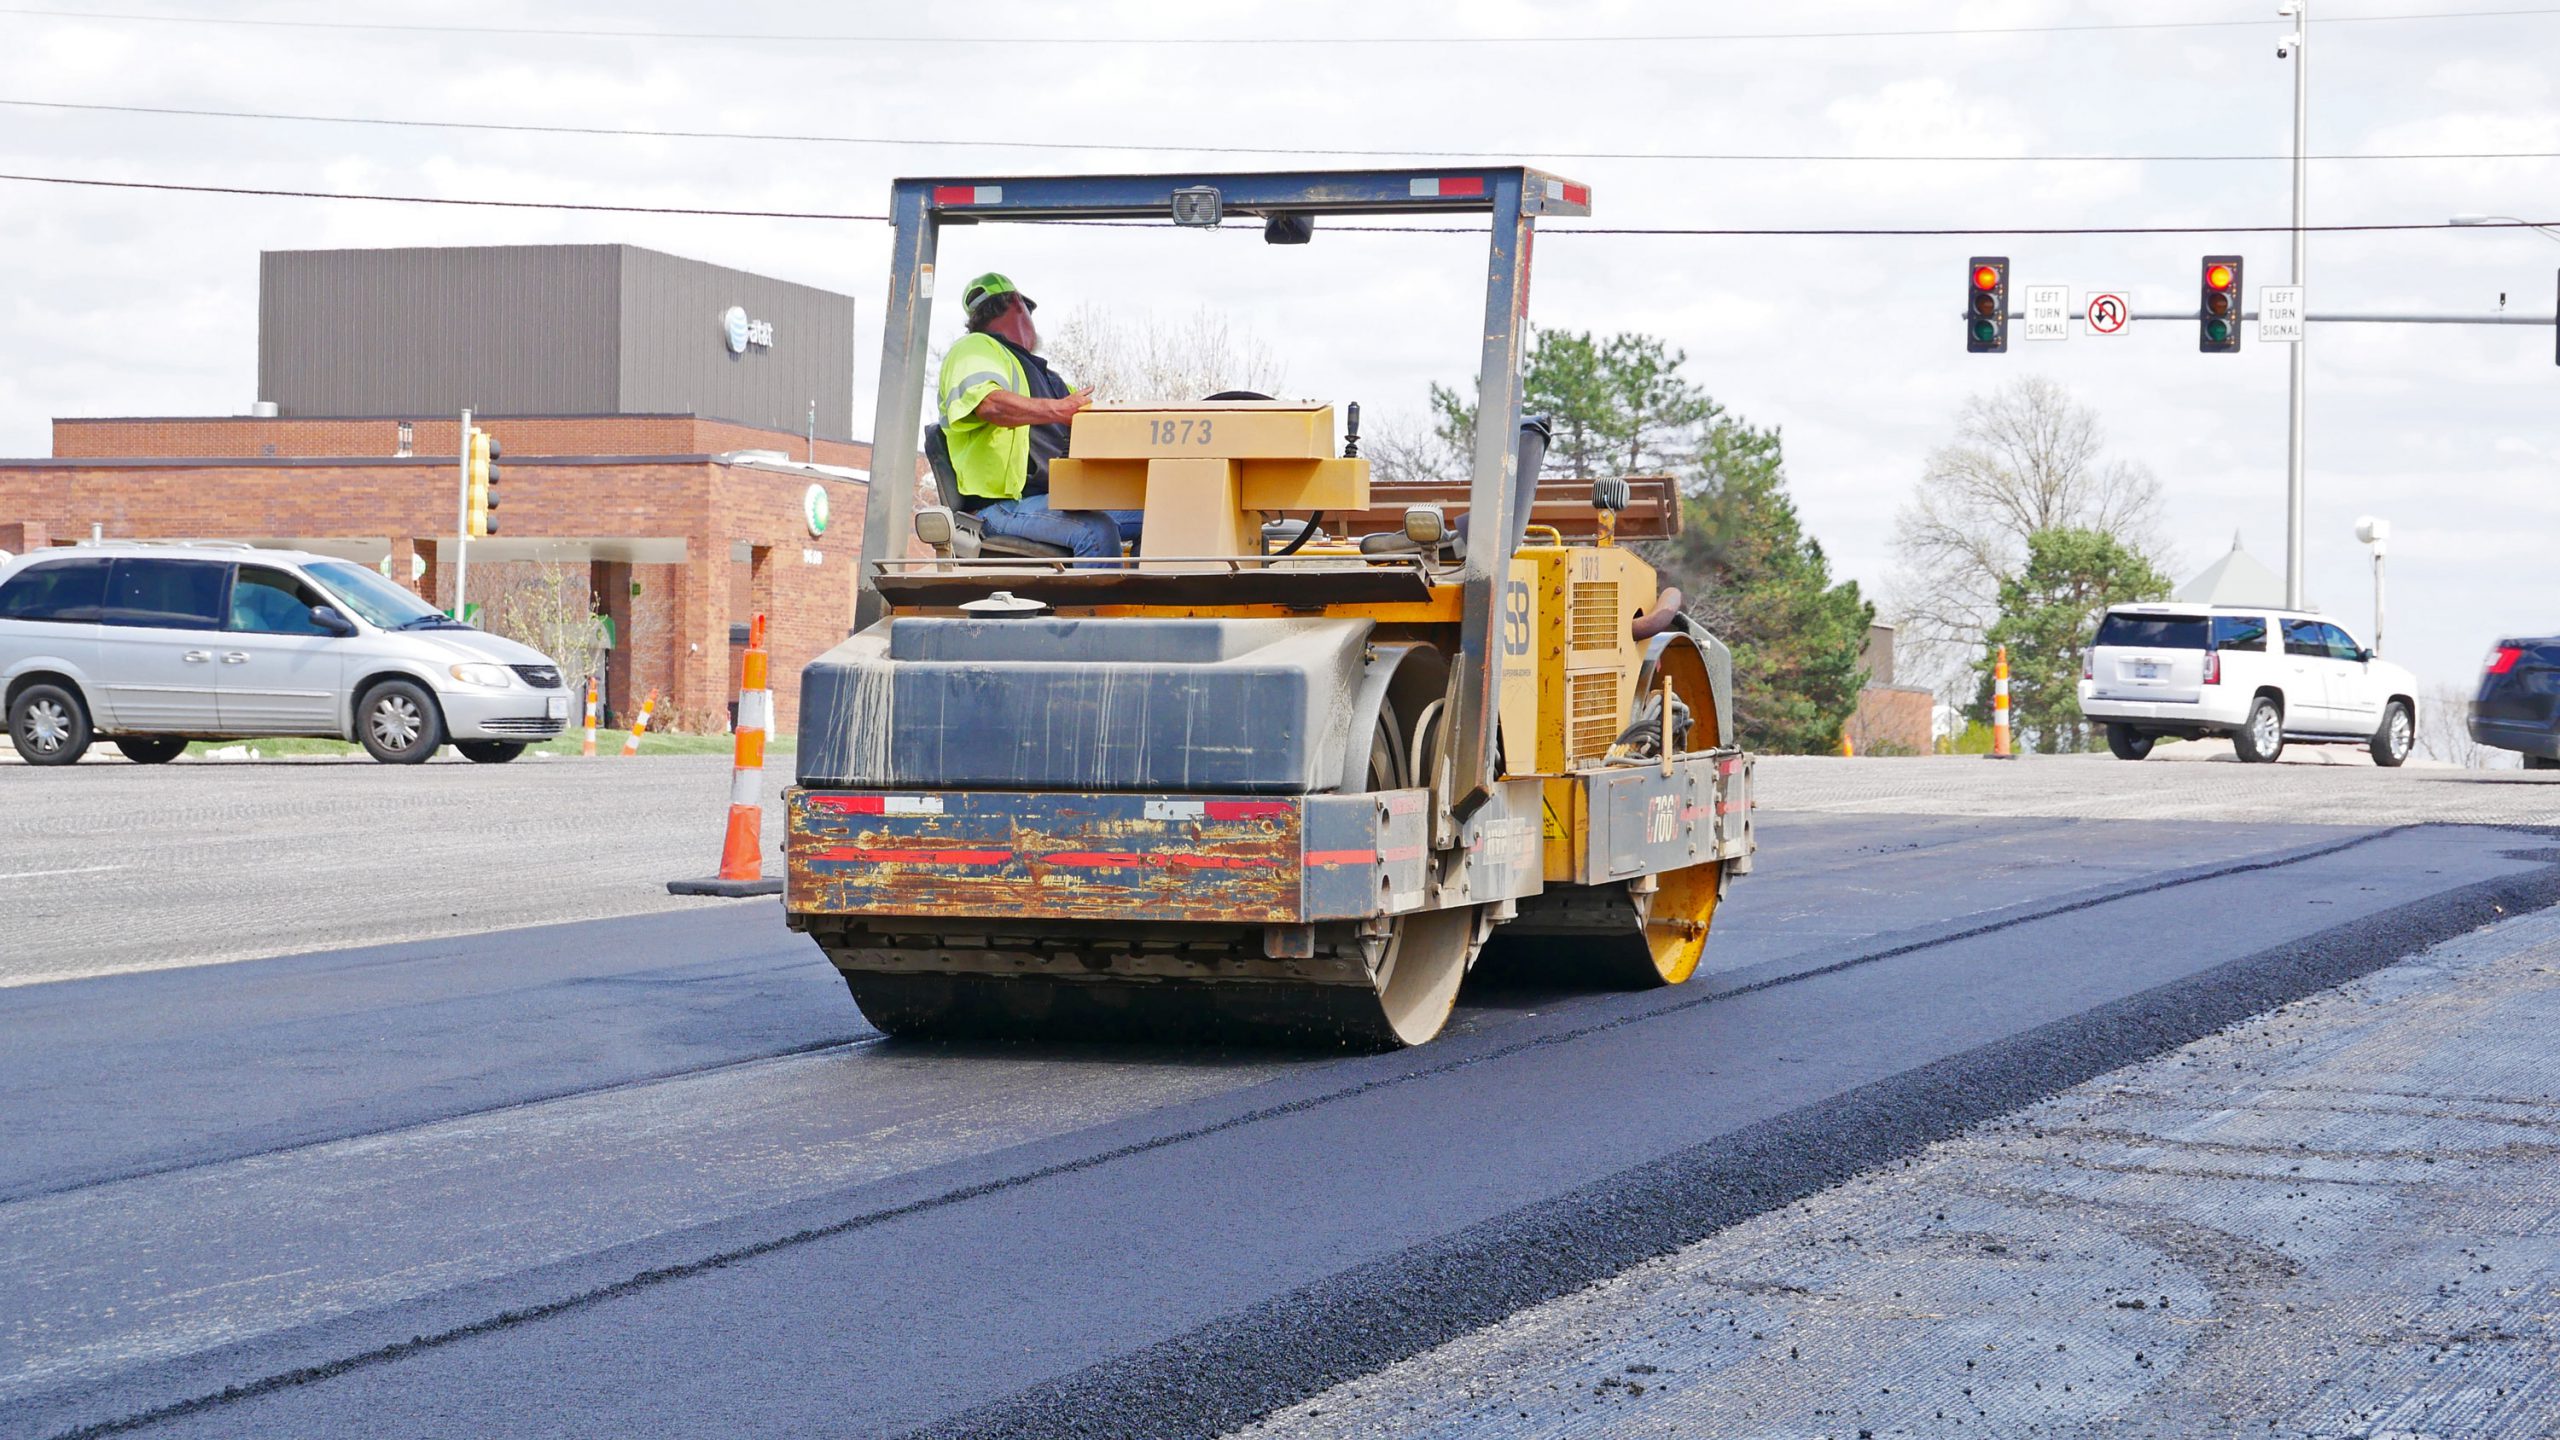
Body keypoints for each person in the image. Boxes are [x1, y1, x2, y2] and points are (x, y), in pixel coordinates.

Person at [936, 273, 1138, 559]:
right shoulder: (975, 348)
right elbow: (990, 405)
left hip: (1059, 499)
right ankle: (1095, 591)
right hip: (1002, 506)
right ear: (1017, 303)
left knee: (1155, 514)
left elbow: (1089, 421)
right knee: (1096, 530)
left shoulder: (1048, 378)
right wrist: (1060, 410)